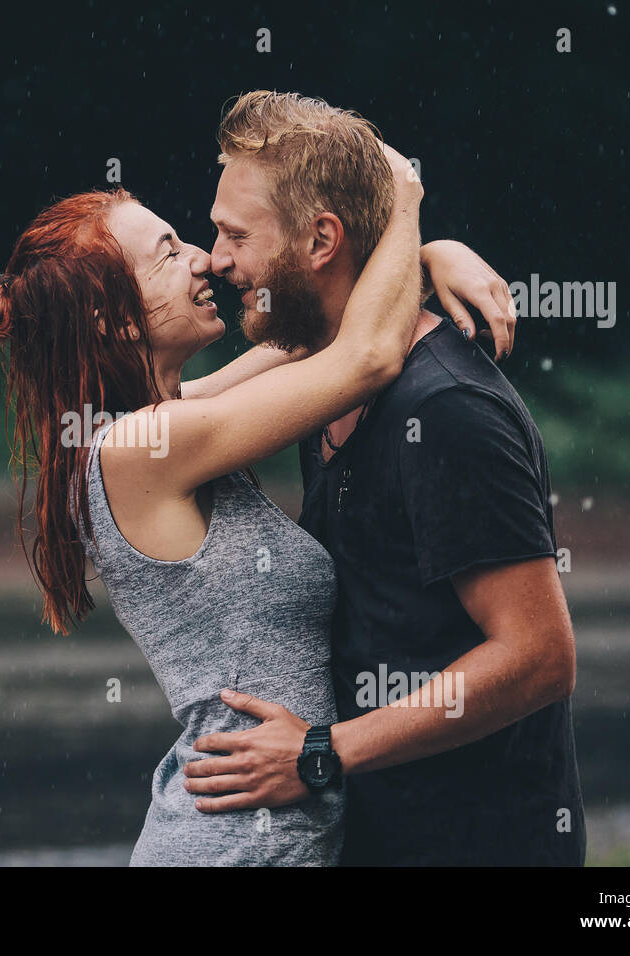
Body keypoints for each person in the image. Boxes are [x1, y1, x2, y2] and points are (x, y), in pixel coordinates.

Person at [0, 118, 516, 862]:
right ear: (112, 320)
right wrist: (403, 200)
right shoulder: (142, 449)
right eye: (168, 254)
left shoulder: (176, 416)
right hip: (230, 844)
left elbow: (319, 331)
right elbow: (363, 357)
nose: (202, 260)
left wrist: (430, 255)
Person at [181, 91, 585, 866]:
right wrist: (426, 248)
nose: (215, 258)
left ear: (321, 239)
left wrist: (321, 751)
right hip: (376, 836)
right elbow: (345, 345)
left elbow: (539, 655)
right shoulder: (329, 375)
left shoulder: (446, 411)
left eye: (235, 235)